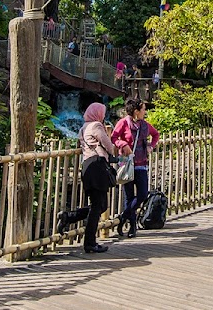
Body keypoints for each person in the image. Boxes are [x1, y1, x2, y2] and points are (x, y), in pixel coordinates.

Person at [55, 103, 119, 253]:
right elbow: (108, 146)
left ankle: (68, 217)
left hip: (87, 167)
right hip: (97, 166)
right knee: (98, 206)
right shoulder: (97, 126)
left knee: (100, 206)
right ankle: (89, 243)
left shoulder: (83, 127)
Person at [111, 98, 160, 238]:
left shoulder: (145, 125)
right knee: (129, 196)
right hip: (127, 163)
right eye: (143, 109)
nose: (145, 112)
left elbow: (155, 134)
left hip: (141, 163)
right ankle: (132, 227)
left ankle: (123, 217)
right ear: (136, 111)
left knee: (143, 194)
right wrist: (122, 144)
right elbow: (114, 137)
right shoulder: (123, 123)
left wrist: (151, 146)